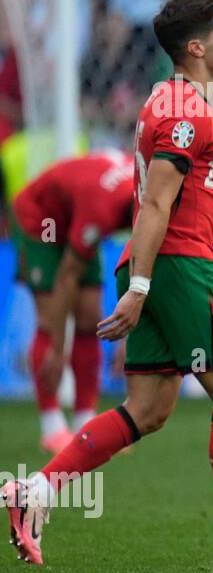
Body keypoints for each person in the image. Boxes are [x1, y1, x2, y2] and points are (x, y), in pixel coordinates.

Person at [3, 0, 213, 566]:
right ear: (197, 47)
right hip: (177, 269)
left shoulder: (171, 99)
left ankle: (35, 491)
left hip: (164, 261)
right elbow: (154, 206)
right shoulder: (185, 111)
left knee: (149, 408)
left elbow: (185, 203)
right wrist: (141, 288)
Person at [10, 151, 133, 453]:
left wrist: (129, 336)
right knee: (50, 317)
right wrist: (57, 345)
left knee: (90, 318)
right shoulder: (102, 209)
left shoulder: (151, 190)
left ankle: (85, 423)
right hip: (43, 219)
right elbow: (67, 276)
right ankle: (51, 426)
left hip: (76, 216)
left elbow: (143, 266)